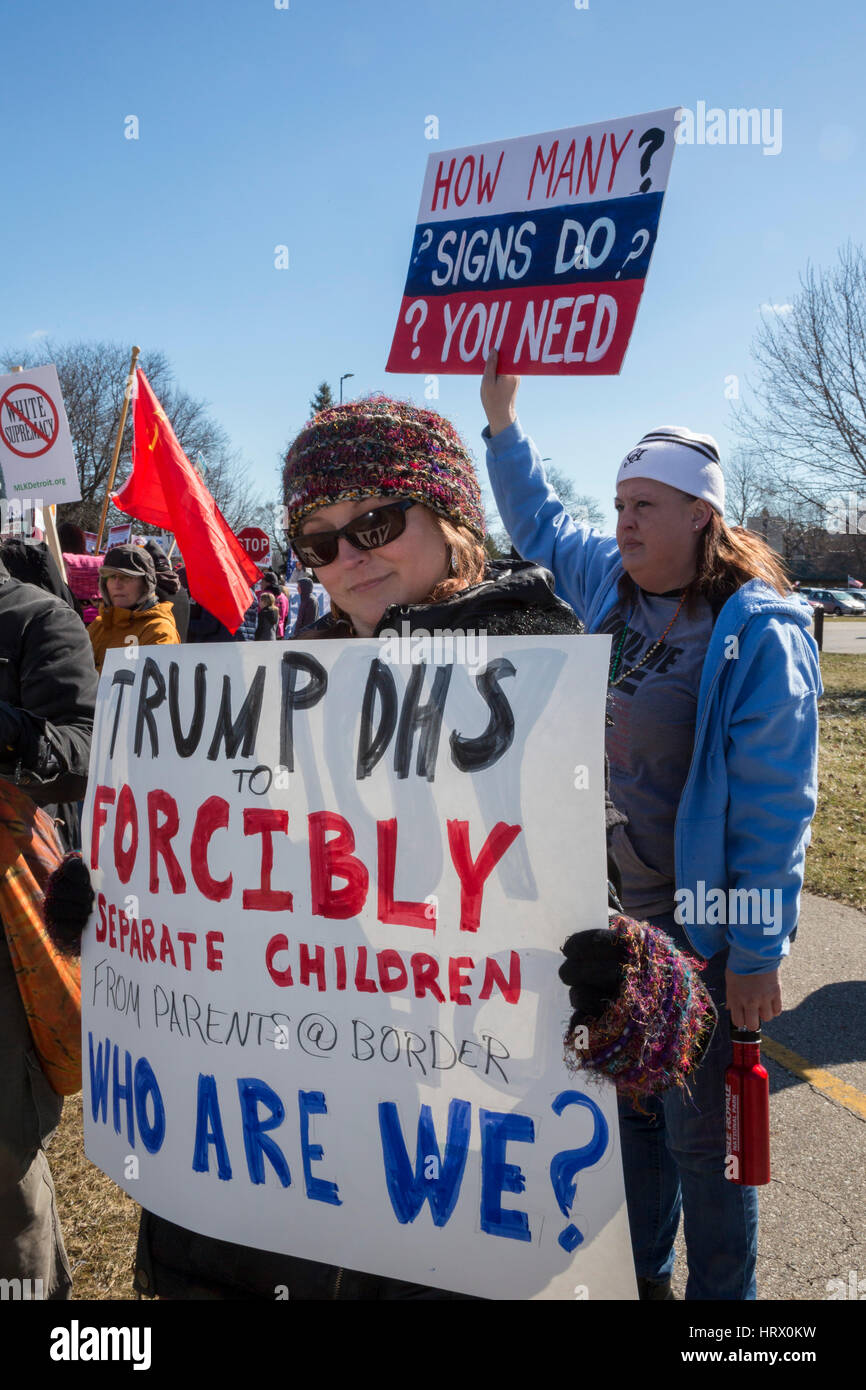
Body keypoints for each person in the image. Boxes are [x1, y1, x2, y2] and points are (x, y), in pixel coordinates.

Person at [111, 394, 712, 1300]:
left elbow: (622, 948)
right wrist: (117, 920)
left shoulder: (539, 681)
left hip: (463, 1189)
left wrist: (638, 994)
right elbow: (220, 898)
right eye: (318, 540)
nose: (347, 557)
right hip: (271, 1191)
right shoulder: (263, 696)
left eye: (376, 522)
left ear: (453, 523)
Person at [479, 351, 822, 1301]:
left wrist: (755, 951)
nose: (622, 520)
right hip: (612, 924)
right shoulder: (609, 591)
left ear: (702, 516)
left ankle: (727, 1314)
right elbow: (542, 522)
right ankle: (645, 1284)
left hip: (698, 933)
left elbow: (774, 804)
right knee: (628, 1115)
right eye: (620, 502)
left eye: (645, 506)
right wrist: (504, 424)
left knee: (702, 1142)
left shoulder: (755, 632)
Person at [0, 547, 98, 1299]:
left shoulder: (37, 618)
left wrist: (7, 732)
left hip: (7, 934)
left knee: (5, 1172)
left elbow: (86, 753)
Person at [87, 544, 180, 674]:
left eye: (127, 577)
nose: (117, 585)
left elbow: (149, 688)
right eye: (111, 576)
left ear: (146, 584)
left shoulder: (159, 630)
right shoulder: (97, 625)